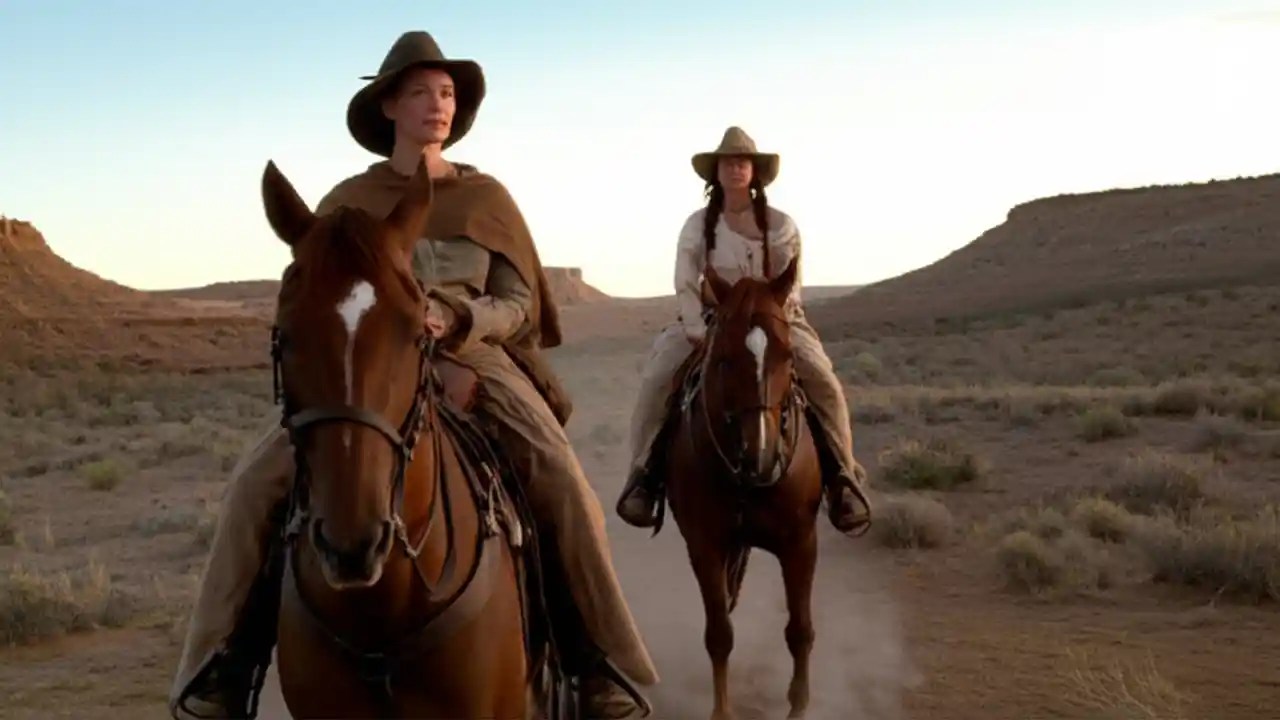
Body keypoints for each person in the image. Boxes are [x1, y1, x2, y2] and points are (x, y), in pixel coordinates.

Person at [169, 30, 656, 719]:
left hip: (476, 356)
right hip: (373, 364)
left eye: (448, 93)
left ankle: (598, 664)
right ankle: (223, 666)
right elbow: (322, 290)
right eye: (422, 92)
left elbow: (518, 303)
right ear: (389, 107)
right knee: (256, 484)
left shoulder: (486, 197)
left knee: (556, 474)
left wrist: (456, 323)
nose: (439, 105)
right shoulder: (348, 200)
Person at [615, 126, 873, 536]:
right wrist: (695, 324)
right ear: (715, 173)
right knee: (658, 376)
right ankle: (644, 476)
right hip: (709, 318)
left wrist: (773, 322)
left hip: (775, 319)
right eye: (727, 162)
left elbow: (792, 286)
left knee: (823, 380)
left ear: (755, 172)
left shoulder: (781, 226)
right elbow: (685, 281)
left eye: (742, 162)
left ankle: (844, 478)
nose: (735, 168)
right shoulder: (698, 226)